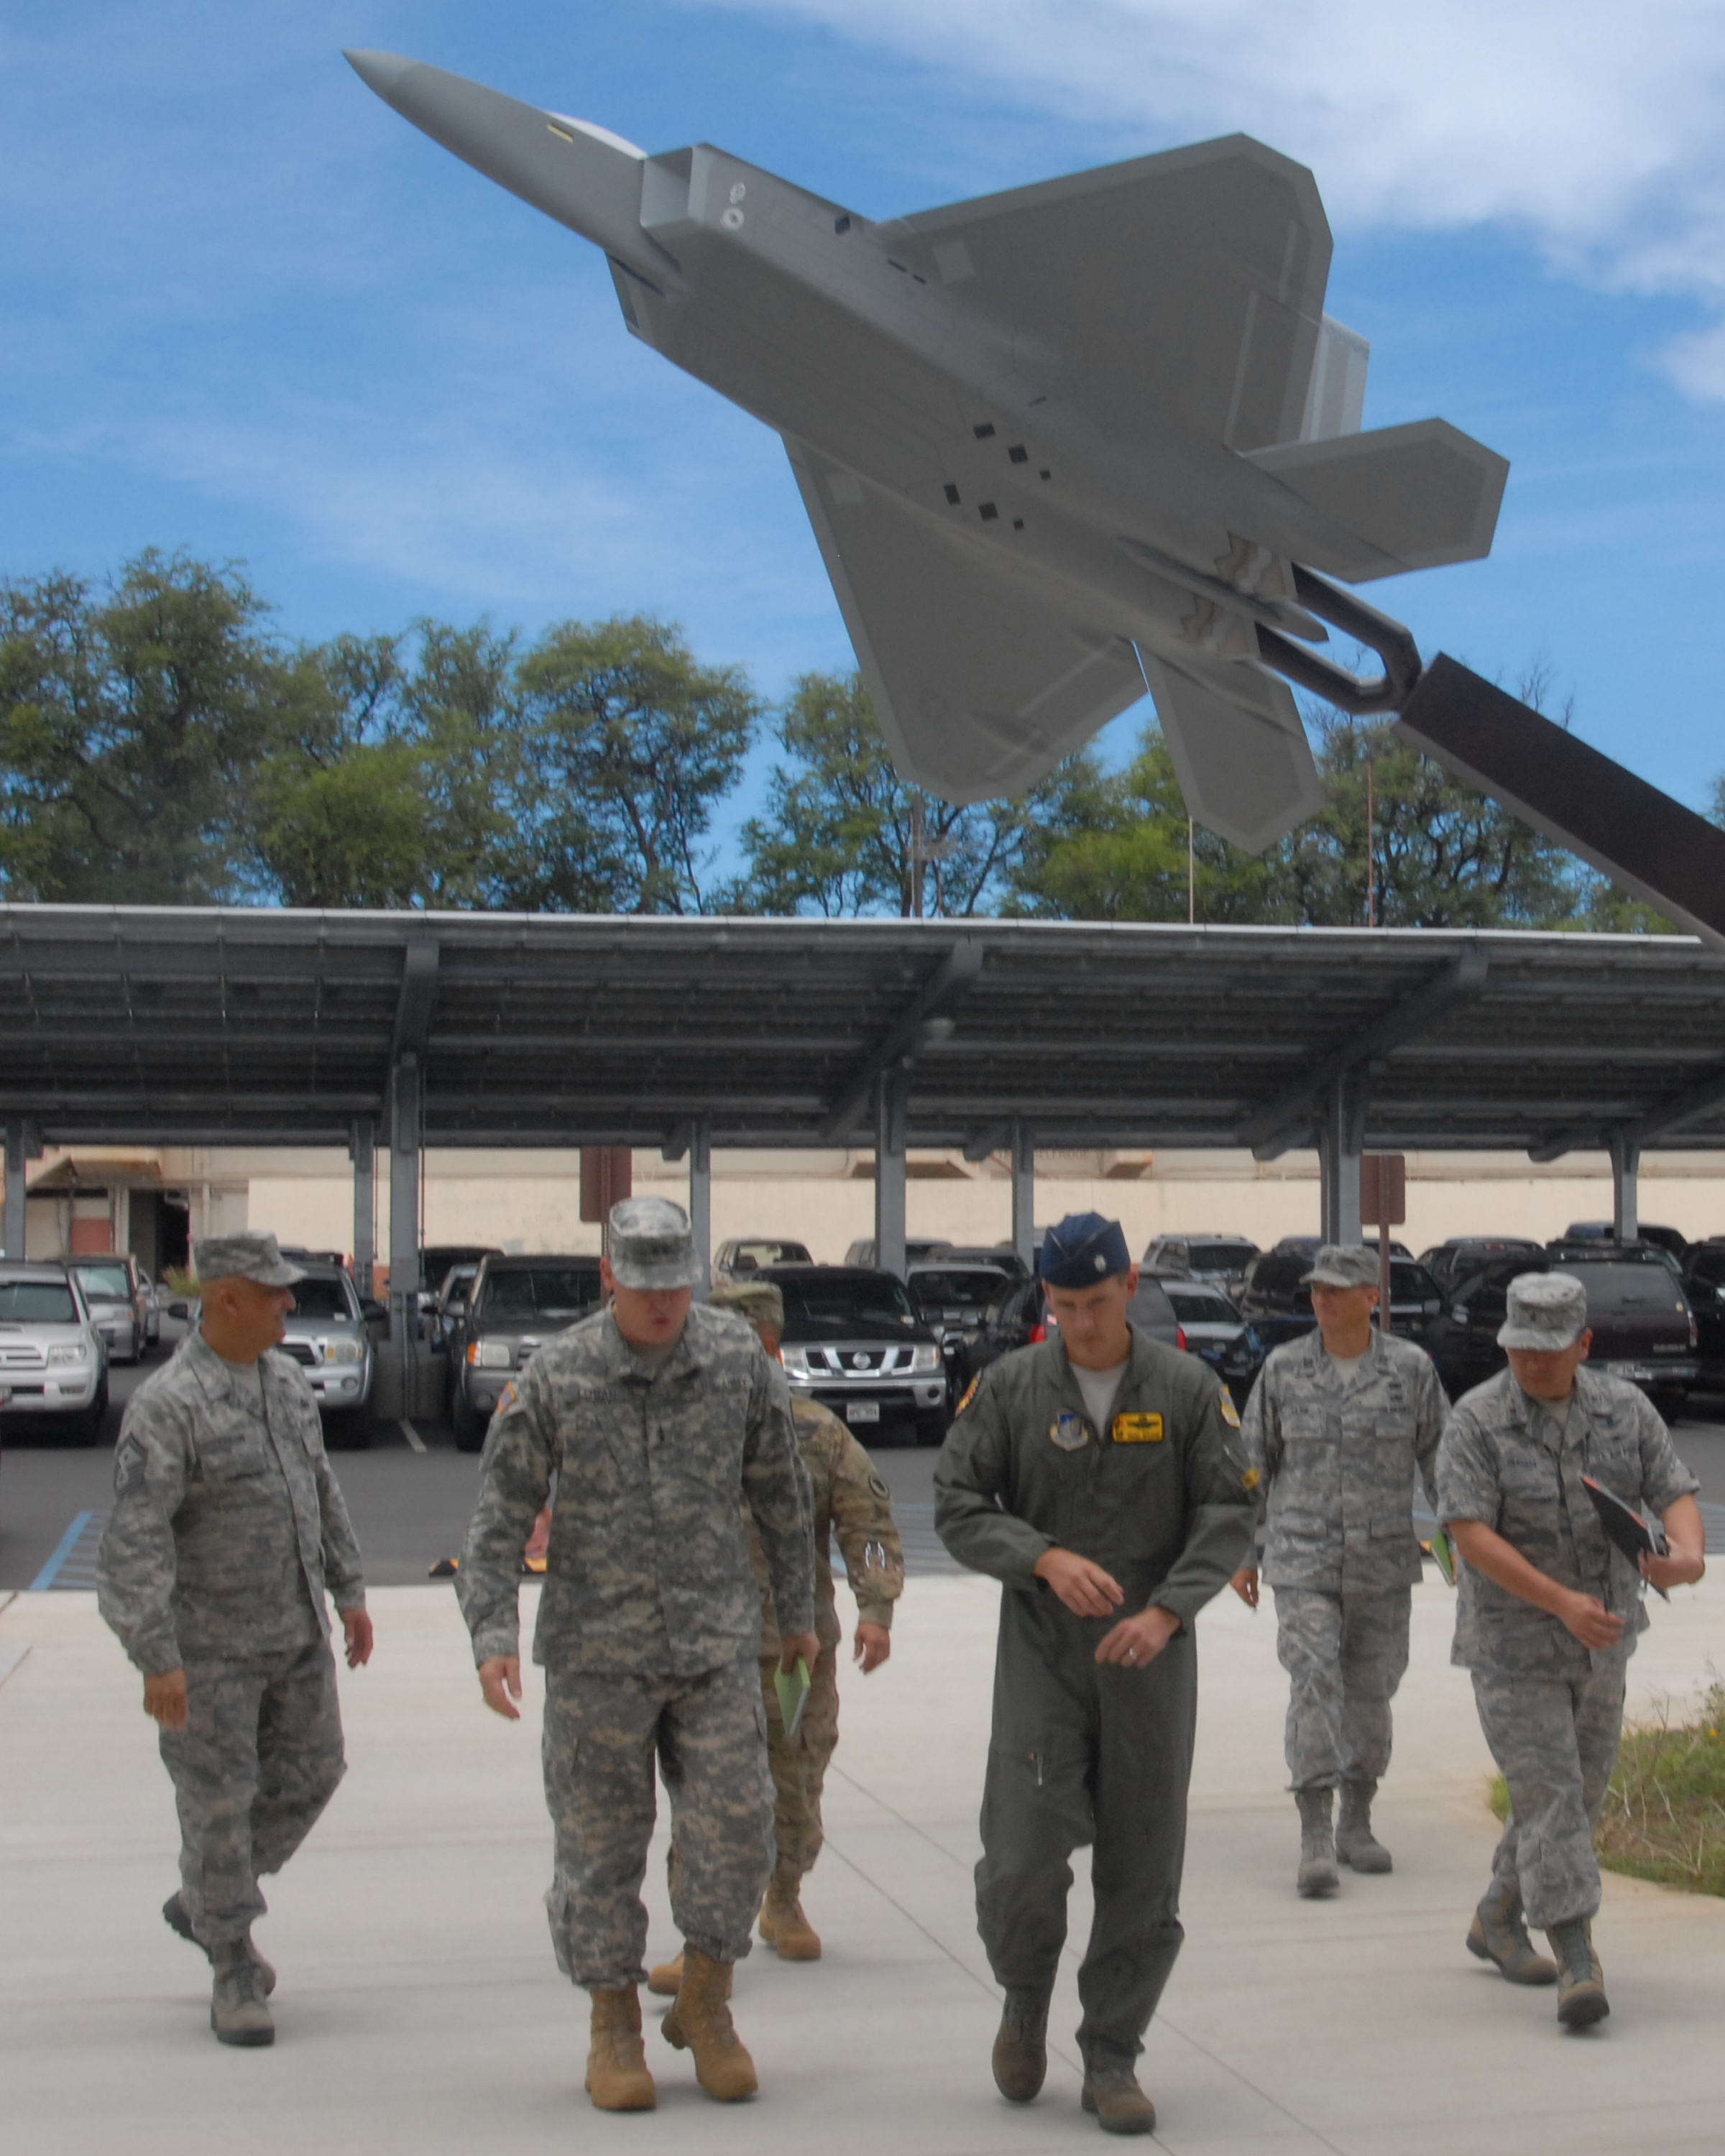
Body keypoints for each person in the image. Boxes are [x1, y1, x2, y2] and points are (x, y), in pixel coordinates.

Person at [456, 1197, 818, 2113]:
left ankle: (707, 2003)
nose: (663, 1305)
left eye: (677, 1285)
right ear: (610, 1276)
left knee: (739, 1830)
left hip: (715, 1646)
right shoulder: (560, 1373)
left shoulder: (736, 1360)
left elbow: (782, 1491)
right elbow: (499, 1514)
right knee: (600, 1849)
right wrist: (491, 1632)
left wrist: (802, 1617)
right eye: (644, 1286)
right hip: (596, 1654)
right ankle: (613, 2023)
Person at [935, 1212, 1256, 2137]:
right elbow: (958, 1501)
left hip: (1149, 1661)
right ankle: (1025, 1999)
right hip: (1044, 1655)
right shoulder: (1009, 1390)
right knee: (1025, 1853)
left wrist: (1168, 1610)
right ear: (1047, 1298)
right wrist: (1039, 1557)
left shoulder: (1189, 1389)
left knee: (1143, 1865)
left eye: (1099, 1301)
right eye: (1065, 1304)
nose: (1082, 1322)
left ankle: (1112, 2053)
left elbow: (1230, 1509)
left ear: (1130, 1287)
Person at [96, 1233, 373, 2048]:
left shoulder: (284, 1383)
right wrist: (157, 1657)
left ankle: (206, 1899)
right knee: (218, 1807)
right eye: (275, 1292)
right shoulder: (168, 1404)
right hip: (208, 1651)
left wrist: (349, 1588)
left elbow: (319, 1487)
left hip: (292, 1629)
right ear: (228, 1299)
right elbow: (136, 1538)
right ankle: (233, 1966)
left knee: (315, 1772)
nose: (290, 1303)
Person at [1437, 1271, 1705, 2028]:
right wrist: (1558, 1602)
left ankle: (1496, 1914)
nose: (1533, 1363)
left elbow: (1673, 1487)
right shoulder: (1479, 1419)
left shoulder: (1625, 1409)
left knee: (1576, 1796)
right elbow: (1468, 1532)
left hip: (1605, 1642)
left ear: (1584, 1344)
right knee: (1552, 1792)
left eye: (1549, 1350)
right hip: (1513, 1645)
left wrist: (1686, 1556)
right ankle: (1578, 1955)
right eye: (1520, 1348)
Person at [648, 1276, 905, 1995]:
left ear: (773, 1347)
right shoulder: (674, 1428)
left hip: (794, 1653)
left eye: (756, 1346)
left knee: (796, 1786)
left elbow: (868, 1521)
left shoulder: (816, 1432)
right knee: (706, 1799)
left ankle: (783, 1897)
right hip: (702, 1656)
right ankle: (699, 1938)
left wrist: (875, 1611)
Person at [1233, 1243, 1448, 1894]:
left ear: (1371, 1297)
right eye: (1317, 1290)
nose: (1322, 1300)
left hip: (1383, 1564)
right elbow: (1251, 1465)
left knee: (1372, 1692)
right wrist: (1243, 1552)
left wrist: (1463, 1547)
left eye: (1337, 1289)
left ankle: (1358, 1816)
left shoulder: (1411, 1371)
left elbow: (1444, 1465)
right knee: (1313, 1684)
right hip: (1302, 1562)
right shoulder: (1284, 1369)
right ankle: (1315, 1831)